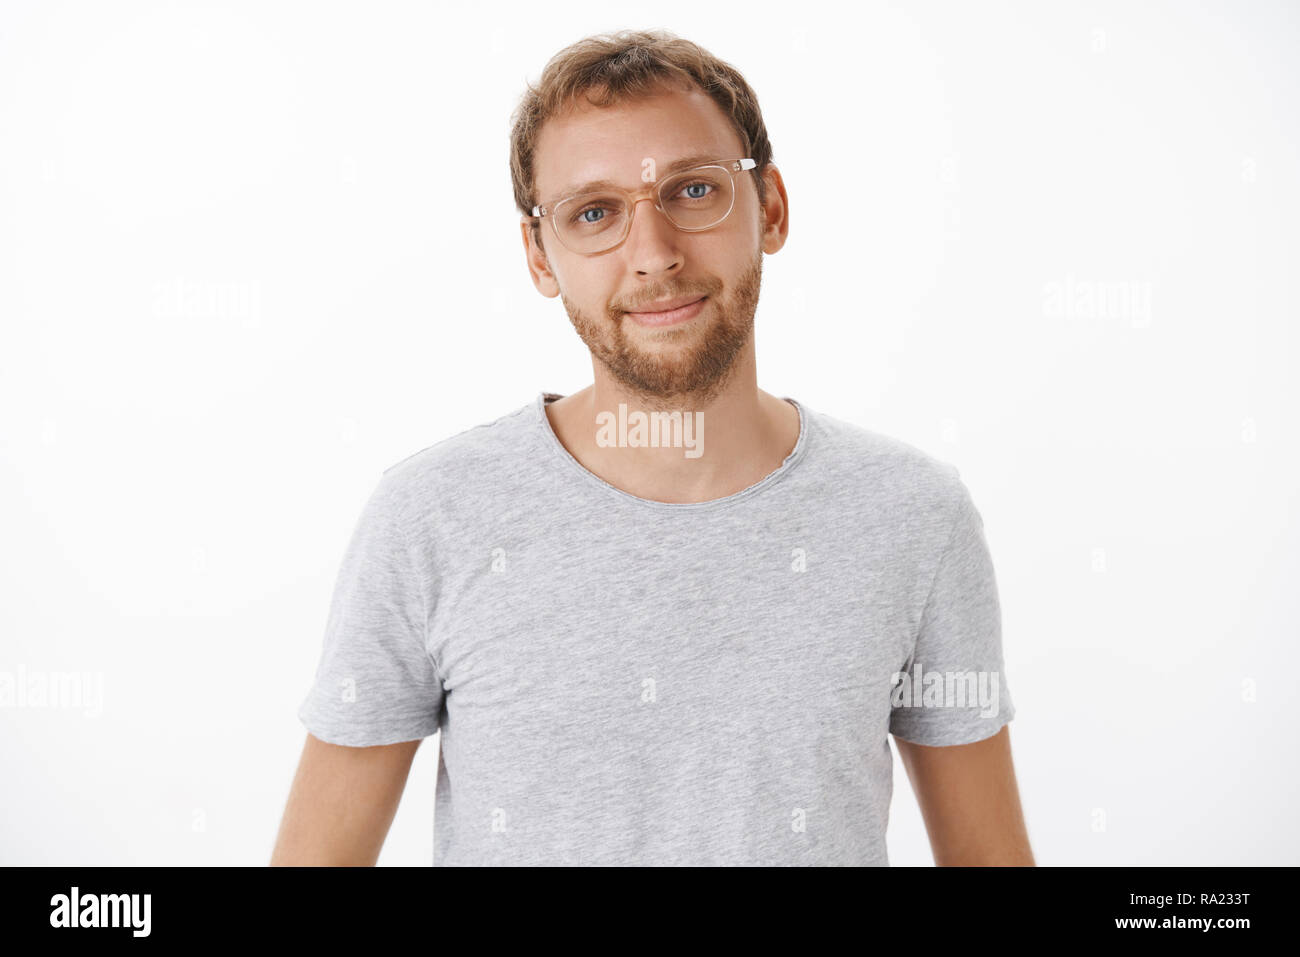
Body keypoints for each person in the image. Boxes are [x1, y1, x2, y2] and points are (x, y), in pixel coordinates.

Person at [272, 29, 1033, 866]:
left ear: (770, 208)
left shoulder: (915, 517)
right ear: (539, 254)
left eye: (694, 190)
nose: (654, 253)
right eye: (593, 213)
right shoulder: (432, 518)